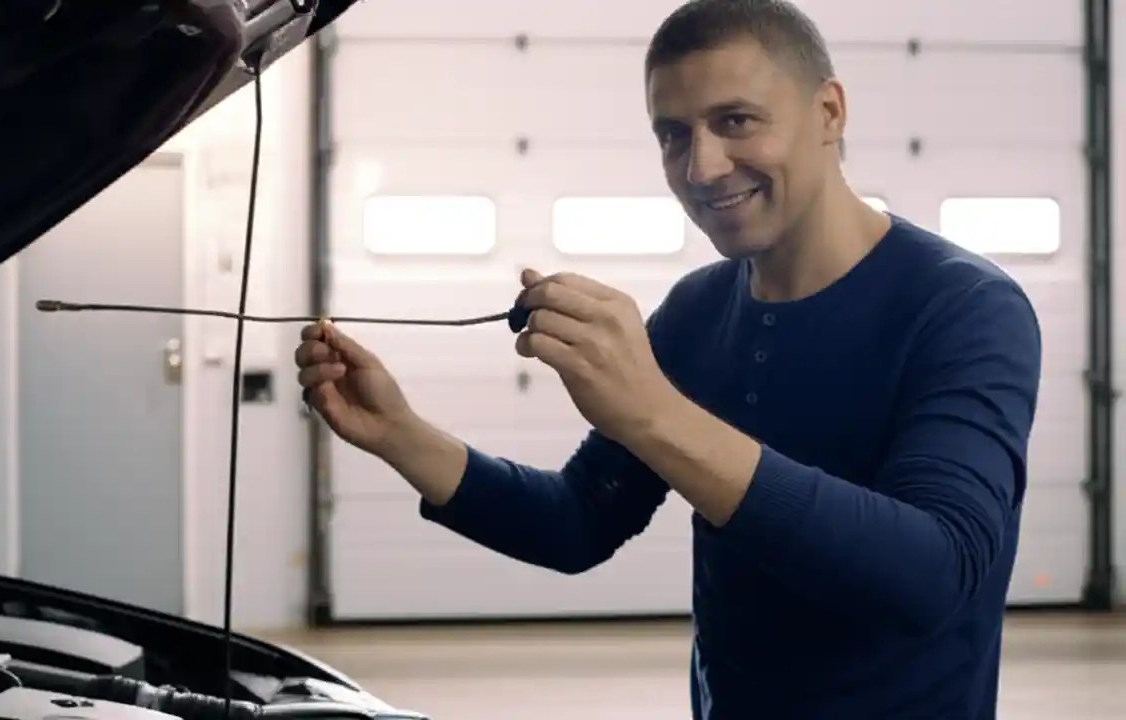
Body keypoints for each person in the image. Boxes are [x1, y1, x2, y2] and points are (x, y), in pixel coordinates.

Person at [294, 0, 1042, 717]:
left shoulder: (965, 309)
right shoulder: (697, 311)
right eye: (673, 135)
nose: (702, 167)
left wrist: (653, 413)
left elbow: (931, 576)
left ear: (829, 112)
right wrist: (400, 434)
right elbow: (578, 521)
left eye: (736, 121)